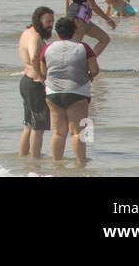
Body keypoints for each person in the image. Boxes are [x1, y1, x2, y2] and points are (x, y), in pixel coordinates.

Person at [38, 17, 98, 166]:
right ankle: (80, 164)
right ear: (74, 31)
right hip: (77, 92)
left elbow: (43, 71)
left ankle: (57, 165)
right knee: (78, 132)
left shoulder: (48, 48)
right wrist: (88, 77)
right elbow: (95, 69)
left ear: (56, 31)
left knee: (59, 132)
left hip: (53, 93)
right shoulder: (83, 47)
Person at [18, 7, 54, 158]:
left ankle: (23, 157)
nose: (51, 25)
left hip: (26, 81)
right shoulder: (35, 37)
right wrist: (42, 78)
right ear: (38, 21)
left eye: (52, 21)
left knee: (28, 125)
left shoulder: (26, 32)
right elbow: (34, 57)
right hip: (34, 83)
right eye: (48, 21)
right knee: (38, 127)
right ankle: (35, 160)